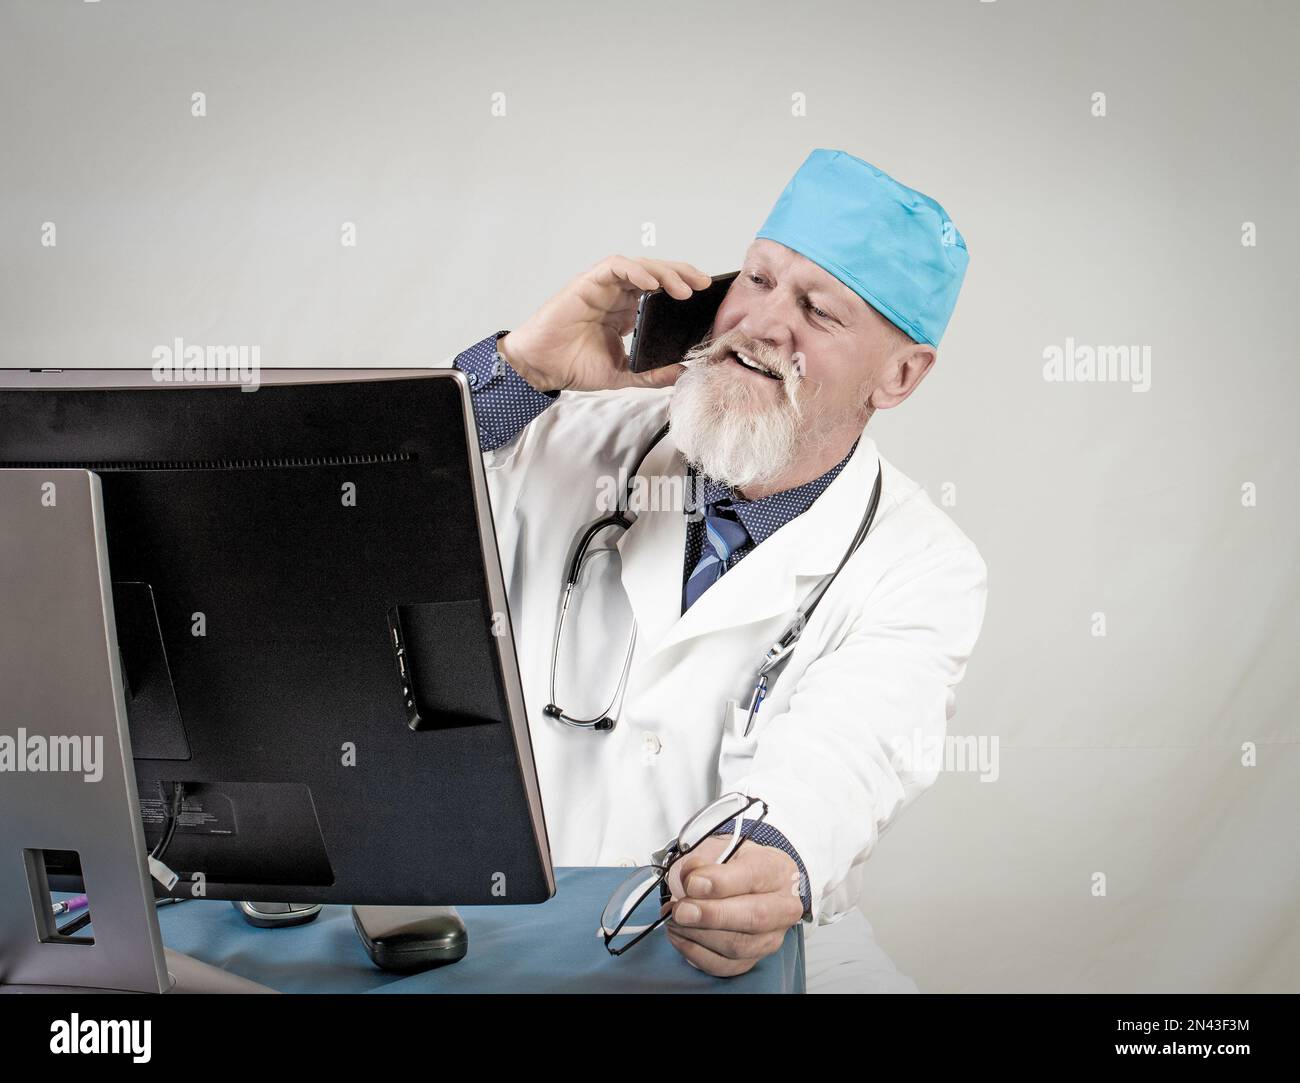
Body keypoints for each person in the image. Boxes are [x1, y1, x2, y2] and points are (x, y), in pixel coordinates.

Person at [444, 149, 987, 990]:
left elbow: (853, 749)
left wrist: (771, 858)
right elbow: (349, 510)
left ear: (901, 374)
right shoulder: (568, 437)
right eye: (760, 279)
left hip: (748, 953)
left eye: (819, 310)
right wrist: (522, 369)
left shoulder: (924, 563)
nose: (764, 326)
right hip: (508, 928)